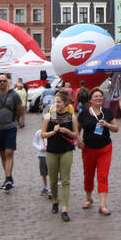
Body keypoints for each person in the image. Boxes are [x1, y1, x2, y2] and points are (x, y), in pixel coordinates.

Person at [78, 88, 117, 214]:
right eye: (96, 96)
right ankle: (88, 198)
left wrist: (107, 124)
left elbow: (116, 128)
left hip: (105, 149)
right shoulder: (84, 113)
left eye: (100, 96)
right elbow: (77, 129)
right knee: (88, 175)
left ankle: (103, 205)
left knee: (103, 176)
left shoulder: (107, 112)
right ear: (90, 100)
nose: (99, 98)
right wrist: (78, 140)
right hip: (88, 149)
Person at [42, 88, 79, 220]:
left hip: (66, 150)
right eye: (55, 102)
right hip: (52, 150)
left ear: (65, 103)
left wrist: (65, 131)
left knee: (65, 179)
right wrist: (53, 132)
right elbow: (43, 134)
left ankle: (65, 209)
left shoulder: (71, 117)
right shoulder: (50, 116)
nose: (56, 104)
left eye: (59, 102)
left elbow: (76, 135)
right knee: (52, 179)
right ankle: (55, 201)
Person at [0, 75, 25, 191]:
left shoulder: (14, 95)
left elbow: (20, 110)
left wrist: (16, 120)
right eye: (0, 81)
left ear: (8, 82)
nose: (2, 82)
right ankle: (8, 177)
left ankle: (8, 178)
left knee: (9, 152)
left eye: (4, 81)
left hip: (10, 126)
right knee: (2, 154)